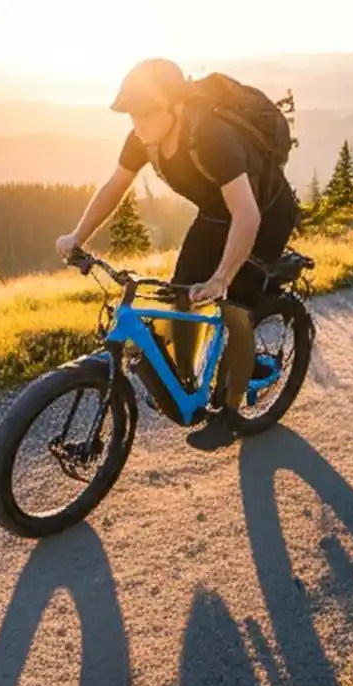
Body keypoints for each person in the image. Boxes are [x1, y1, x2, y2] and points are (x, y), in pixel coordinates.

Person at [56, 58, 299, 451]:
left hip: (264, 214)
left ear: (176, 105)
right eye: (133, 114)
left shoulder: (211, 136)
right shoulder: (142, 139)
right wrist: (77, 235)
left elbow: (247, 214)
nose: (140, 123)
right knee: (180, 294)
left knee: (233, 306)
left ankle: (232, 413)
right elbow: (115, 186)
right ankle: (186, 381)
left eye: (149, 112)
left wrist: (222, 277)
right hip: (217, 215)